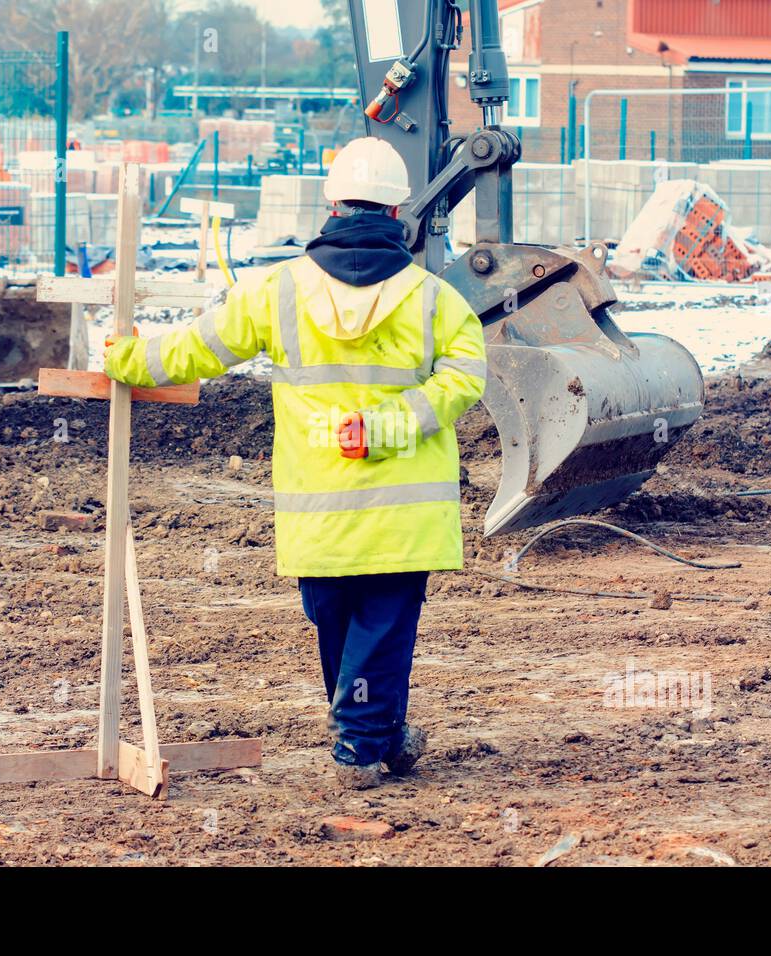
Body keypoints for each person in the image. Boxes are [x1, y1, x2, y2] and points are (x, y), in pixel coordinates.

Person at [103, 136, 486, 789]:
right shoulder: (434, 299)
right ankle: (364, 748)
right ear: (399, 214)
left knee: (341, 630)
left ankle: (372, 737)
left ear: (332, 204)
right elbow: (466, 378)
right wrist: (390, 426)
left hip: (320, 515)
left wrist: (125, 358)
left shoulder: (276, 291)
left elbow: (199, 349)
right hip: (405, 515)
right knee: (381, 633)